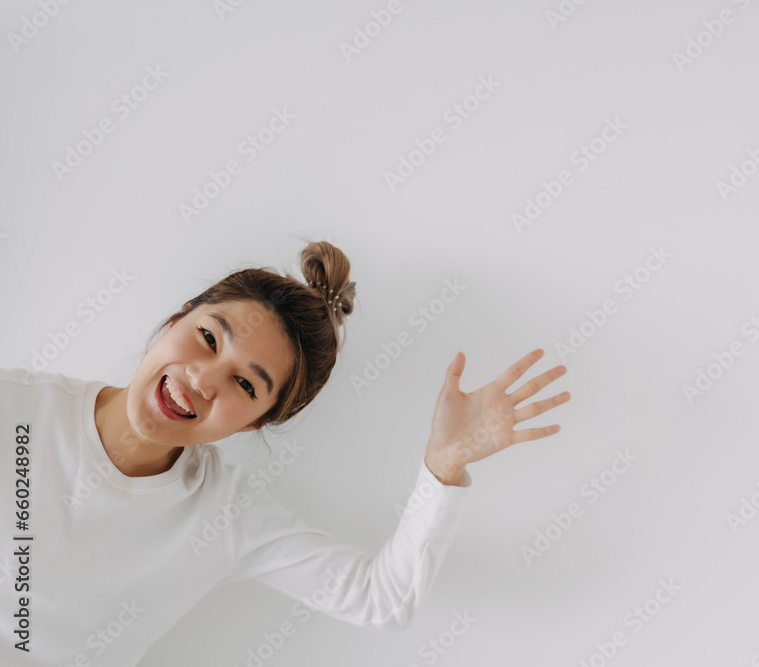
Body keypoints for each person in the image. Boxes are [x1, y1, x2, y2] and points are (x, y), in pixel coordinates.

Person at [0, 240, 571, 665]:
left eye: (246, 386)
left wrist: (445, 465)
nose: (202, 381)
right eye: (207, 338)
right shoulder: (16, 405)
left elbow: (383, 600)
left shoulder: (225, 519)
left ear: (256, 424)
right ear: (176, 319)